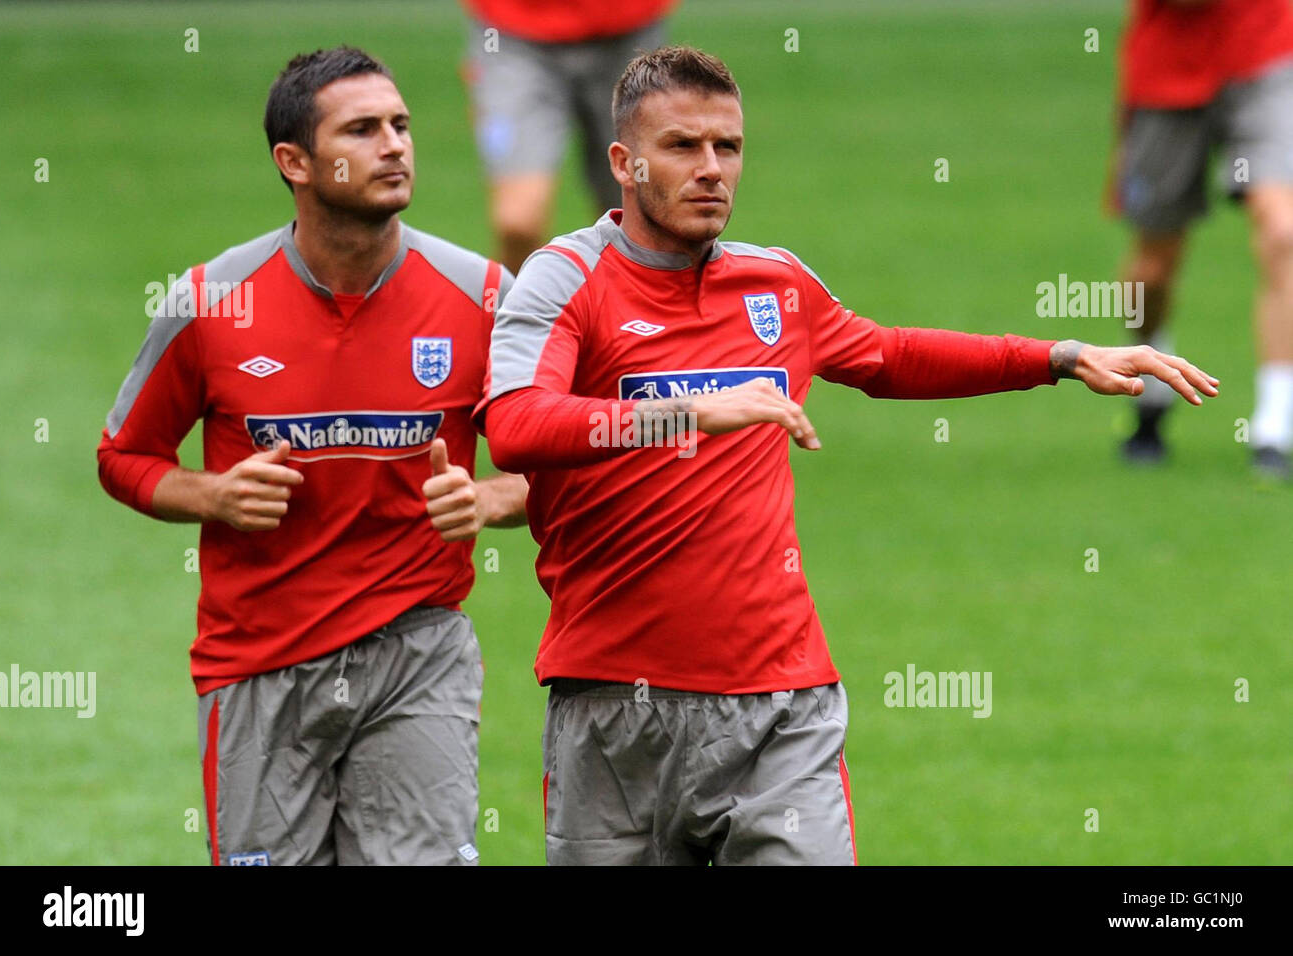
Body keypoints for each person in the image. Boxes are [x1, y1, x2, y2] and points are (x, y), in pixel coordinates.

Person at [476, 46, 1219, 865]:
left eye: (729, 147)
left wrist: (1056, 356)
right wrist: (687, 413)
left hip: (781, 705)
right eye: (683, 147)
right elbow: (517, 425)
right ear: (624, 161)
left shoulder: (776, 285)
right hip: (615, 707)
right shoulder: (564, 279)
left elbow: (889, 355)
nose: (712, 169)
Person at [96, 47, 528, 866]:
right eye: (362, 130)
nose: (395, 145)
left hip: (417, 653)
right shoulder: (210, 300)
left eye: (400, 125)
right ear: (293, 161)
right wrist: (212, 495)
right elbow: (123, 456)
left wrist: (493, 500)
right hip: (261, 662)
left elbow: (564, 460)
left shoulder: (481, 298)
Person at [1111, 0, 1293, 477]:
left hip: (1265, 54)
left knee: (1283, 232)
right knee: (1152, 270)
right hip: (1168, 73)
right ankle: (1151, 390)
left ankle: (1274, 429)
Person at [460, 0, 675, 274]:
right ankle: (519, 315)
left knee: (636, 219)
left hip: (628, 29)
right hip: (511, 34)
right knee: (518, 221)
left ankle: (624, 314)